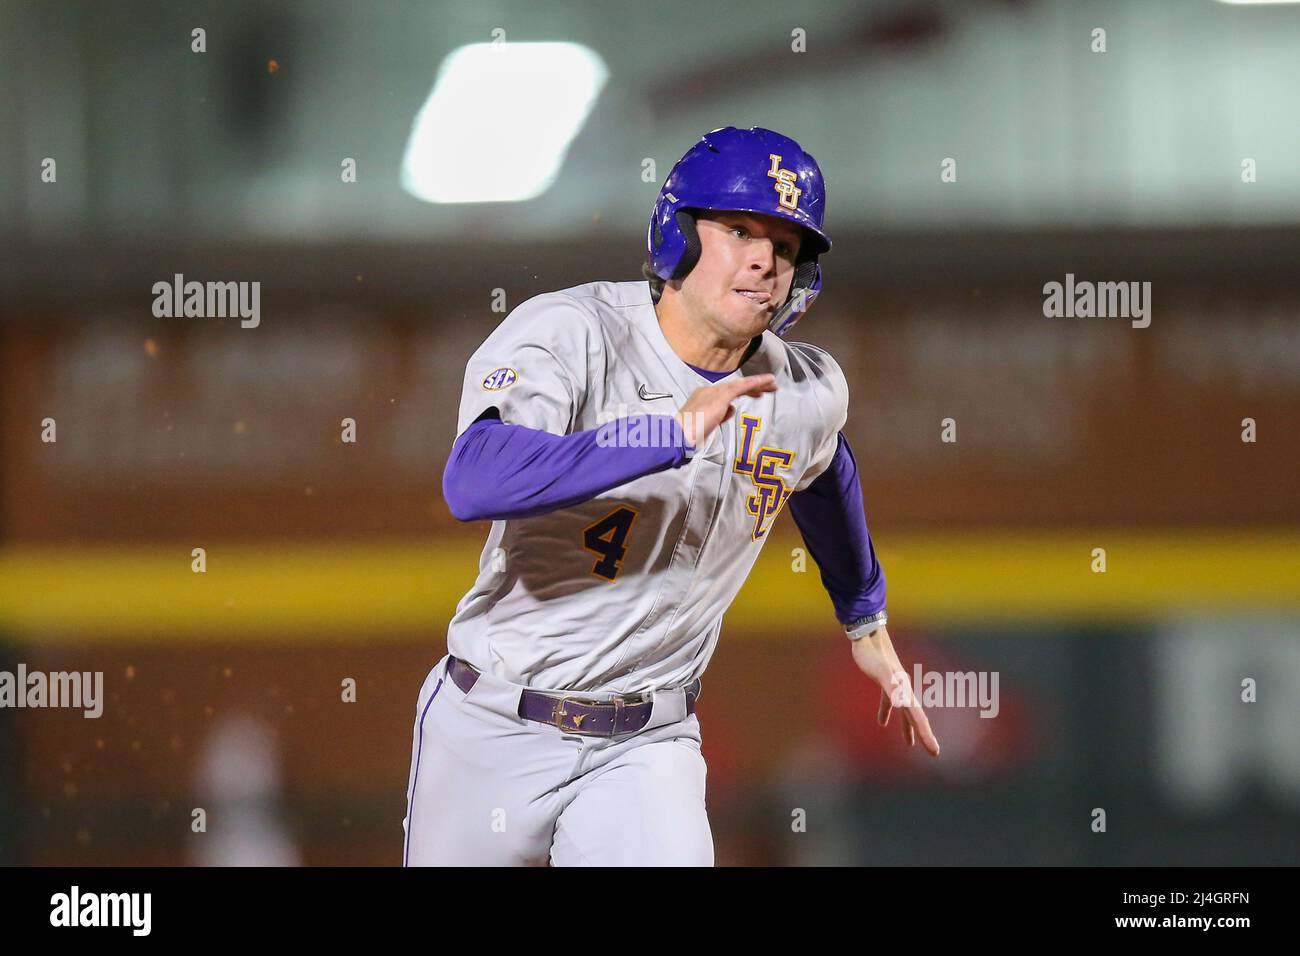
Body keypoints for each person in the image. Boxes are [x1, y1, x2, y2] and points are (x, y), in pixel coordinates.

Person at [402, 126, 940, 868]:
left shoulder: (805, 390)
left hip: (646, 744)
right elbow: (475, 479)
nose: (763, 260)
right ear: (678, 237)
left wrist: (865, 621)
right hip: (495, 724)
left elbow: (826, 474)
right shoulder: (573, 331)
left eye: (785, 248)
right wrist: (668, 433)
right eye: (739, 230)